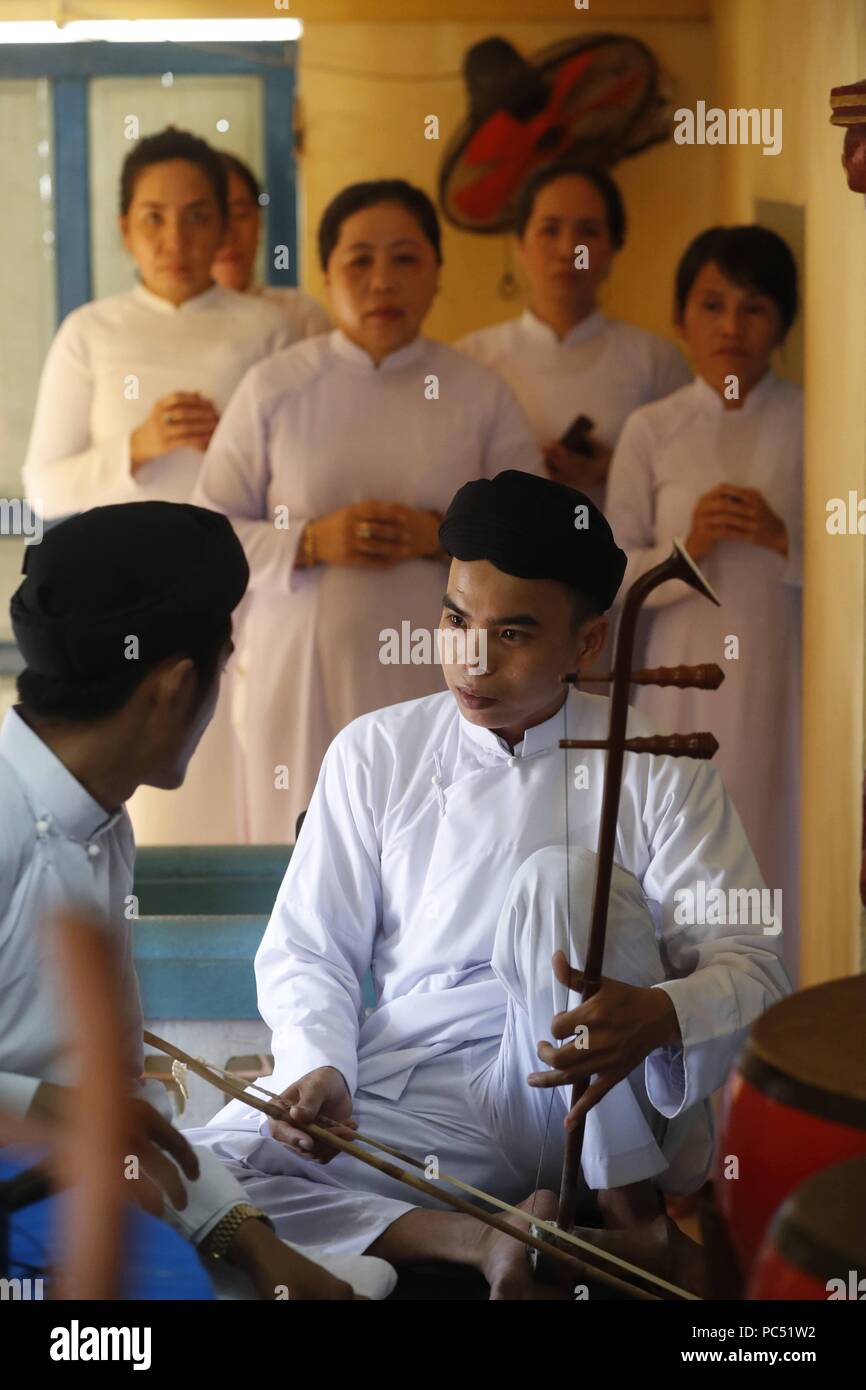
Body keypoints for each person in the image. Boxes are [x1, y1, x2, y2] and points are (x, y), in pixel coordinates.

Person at [188, 470, 790, 1298]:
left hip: (582, 1091)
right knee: (190, 1179)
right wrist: (321, 1064)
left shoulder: (658, 763)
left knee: (558, 883)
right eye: (455, 619)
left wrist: (660, 1014)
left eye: (512, 634)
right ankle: (482, 1236)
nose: (472, 658)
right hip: (427, 1092)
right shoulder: (375, 753)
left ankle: (628, 1214)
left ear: (589, 643)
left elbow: (756, 965)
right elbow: (308, 948)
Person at [0, 501, 395, 1300]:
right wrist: (58, 1107)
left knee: (339, 1280)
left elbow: (127, 1101)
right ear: (177, 687)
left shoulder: (102, 830)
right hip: (29, 1201)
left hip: (68, 1196)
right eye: (227, 664)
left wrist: (252, 1243)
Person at [194, 178, 542, 840]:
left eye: (405, 259)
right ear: (326, 273)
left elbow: (535, 534)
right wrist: (309, 542)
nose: (382, 281)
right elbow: (210, 534)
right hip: (299, 678)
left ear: (437, 273)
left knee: (433, 857)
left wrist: (442, 539)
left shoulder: (478, 393)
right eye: (359, 260)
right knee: (303, 859)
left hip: (442, 673)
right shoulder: (277, 386)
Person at [22, 126, 296, 845]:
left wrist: (233, 449)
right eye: (154, 216)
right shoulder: (90, 332)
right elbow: (44, 485)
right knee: (154, 814)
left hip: (248, 601)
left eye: (198, 214)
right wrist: (135, 448)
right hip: (123, 616)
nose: (176, 236)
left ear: (226, 223)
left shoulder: (269, 332)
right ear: (124, 227)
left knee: (250, 789)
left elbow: (300, 476)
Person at [605, 226, 802, 972]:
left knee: (776, 829)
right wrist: (686, 550)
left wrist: (786, 540)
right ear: (680, 318)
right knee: (685, 845)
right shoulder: (652, 429)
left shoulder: (811, 418)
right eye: (711, 304)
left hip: (783, 669)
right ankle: (684, 1028)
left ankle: (778, 1018)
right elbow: (613, 571)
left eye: (753, 308)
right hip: (680, 675)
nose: (730, 327)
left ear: (782, 321)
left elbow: (846, 561)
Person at [457, 161, 690, 507]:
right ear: (520, 244)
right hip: (500, 559)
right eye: (550, 230)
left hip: (621, 558)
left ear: (614, 247)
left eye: (588, 231)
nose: (569, 251)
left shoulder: (657, 362)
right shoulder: (471, 359)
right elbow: (445, 477)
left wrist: (615, 470)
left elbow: (689, 481)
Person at [211, 151, 331, 339]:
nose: (228, 234)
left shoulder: (299, 316)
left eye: (240, 214)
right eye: (209, 218)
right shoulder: (162, 324)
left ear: (259, 220)